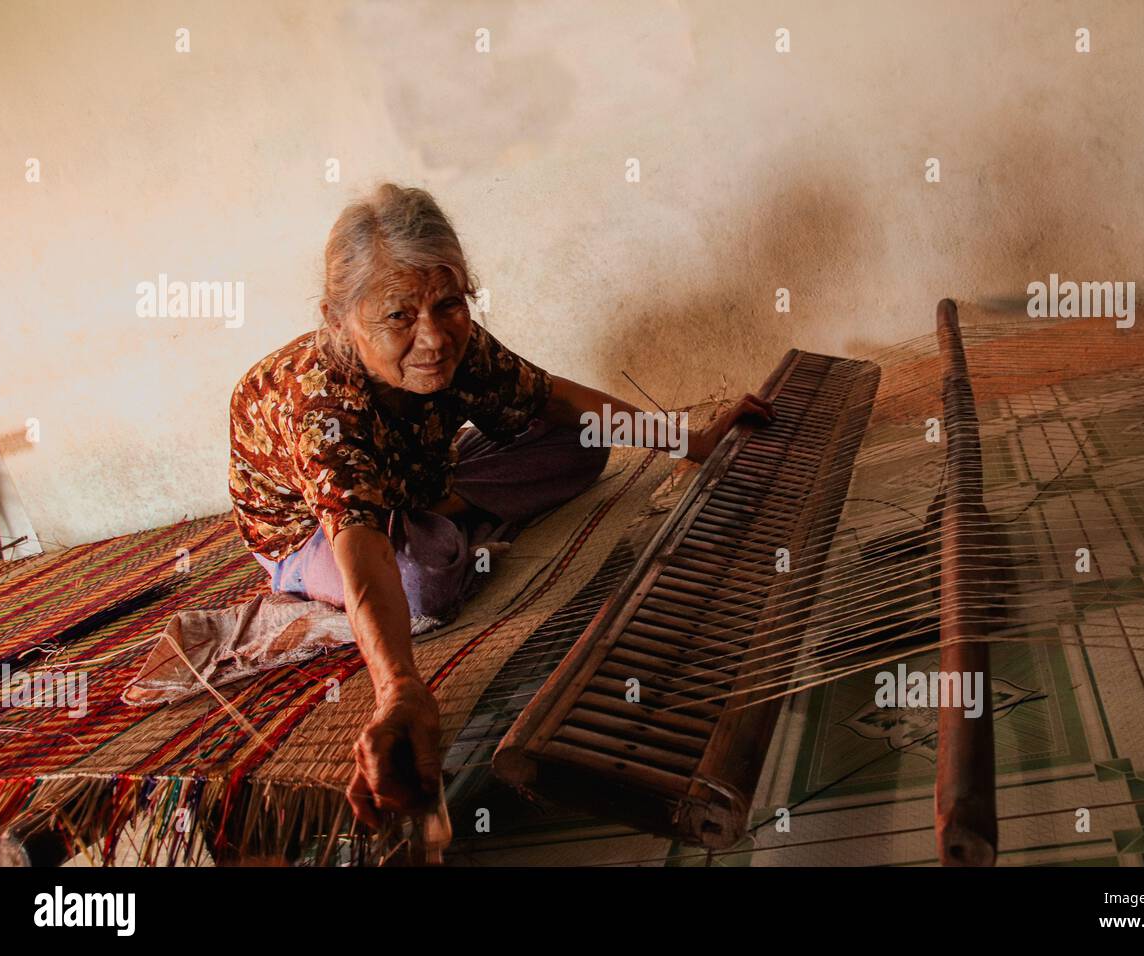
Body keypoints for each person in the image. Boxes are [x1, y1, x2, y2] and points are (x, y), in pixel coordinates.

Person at [227, 183, 775, 829]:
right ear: (338, 318)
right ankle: (439, 524)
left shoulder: (456, 340)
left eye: (449, 304)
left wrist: (693, 442)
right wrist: (399, 687)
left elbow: (553, 398)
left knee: (581, 441)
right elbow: (359, 542)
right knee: (425, 586)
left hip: (416, 478)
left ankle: (440, 511)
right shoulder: (324, 409)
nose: (433, 338)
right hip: (308, 536)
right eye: (399, 317)